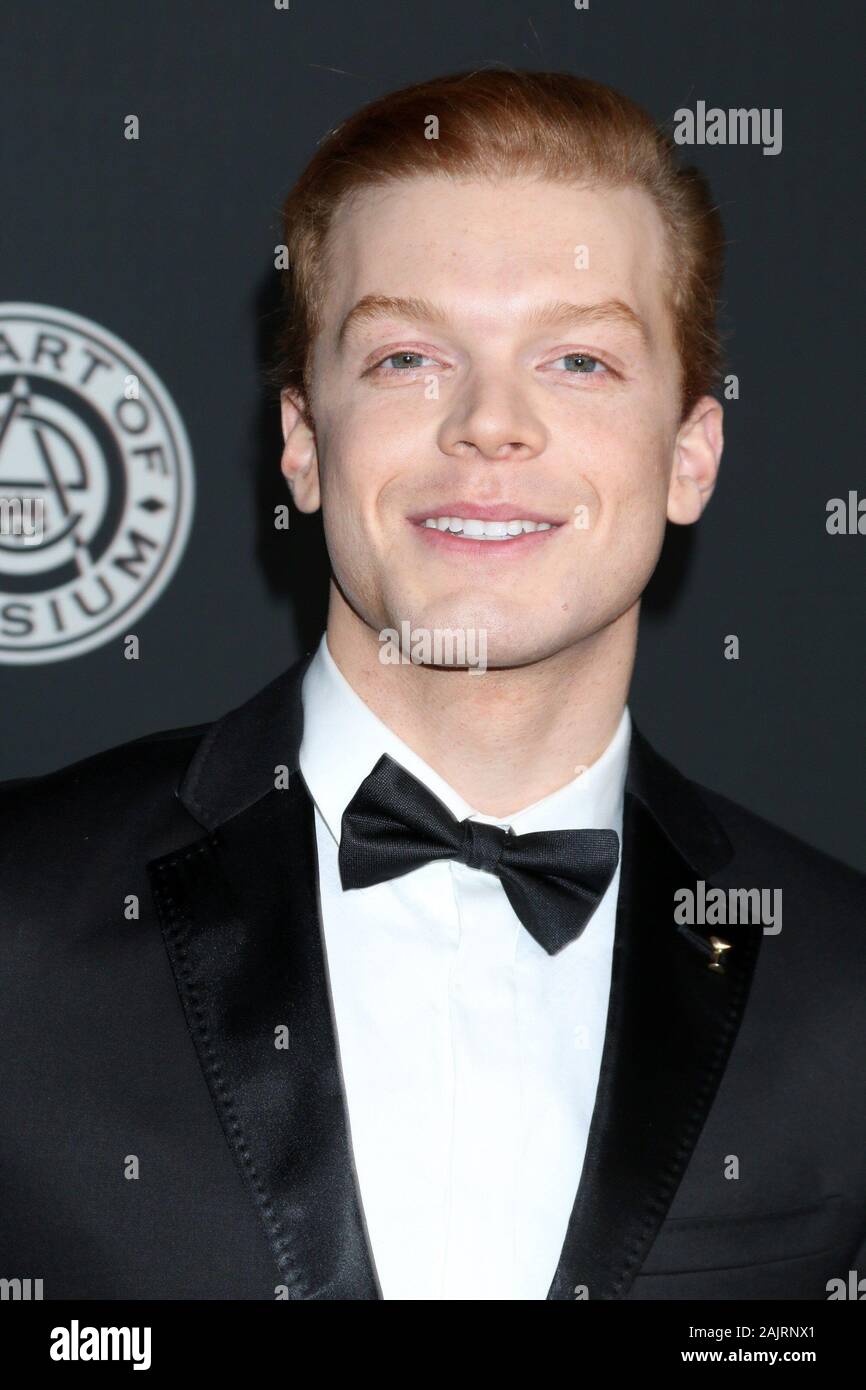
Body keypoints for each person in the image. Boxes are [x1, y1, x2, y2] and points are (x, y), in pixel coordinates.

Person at [1, 69, 864, 1302]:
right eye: (408, 355)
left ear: (689, 455)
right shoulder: (18, 919)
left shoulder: (840, 985)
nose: (488, 425)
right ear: (302, 442)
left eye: (575, 360)